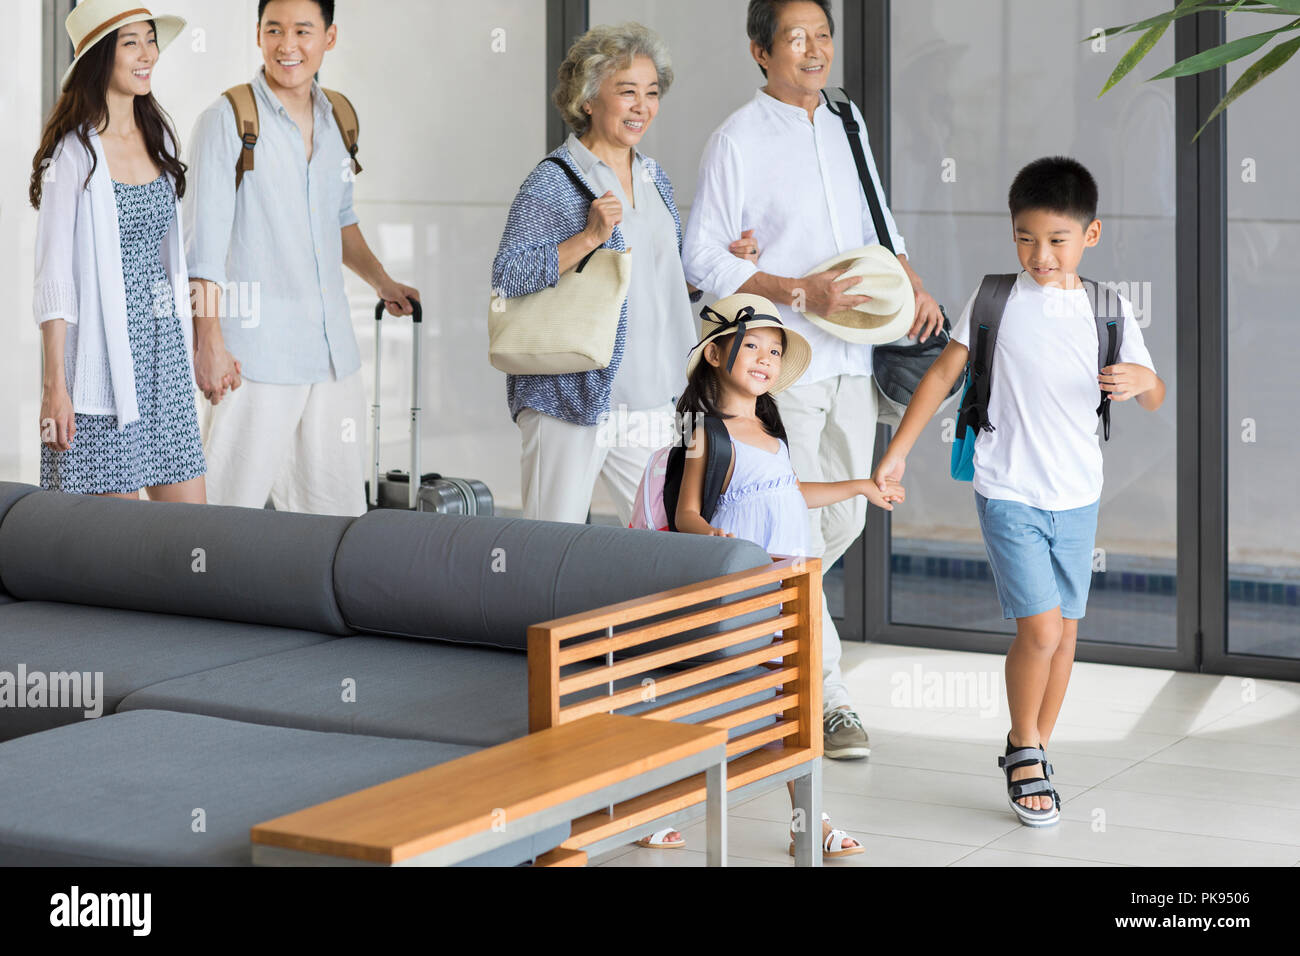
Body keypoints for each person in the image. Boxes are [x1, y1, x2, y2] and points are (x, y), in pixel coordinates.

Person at [682, 0, 945, 760]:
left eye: (823, 35)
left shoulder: (846, 122)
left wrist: (914, 284)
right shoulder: (736, 138)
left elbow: (879, 228)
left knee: (843, 520)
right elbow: (706, 260)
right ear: (761, 51)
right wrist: (802, 292)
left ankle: (745, 621)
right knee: (796, 525)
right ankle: (826, 700)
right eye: (796, 37)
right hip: (786, 361)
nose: (814, 49)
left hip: (854, 359)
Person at [871, 157, 1165, 826]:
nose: (1040, 254)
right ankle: (1023, 748)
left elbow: (1156, 394)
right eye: (1026, 238)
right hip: (1008, 488)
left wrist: (1137, 382)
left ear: (1091, 236)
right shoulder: (993, 300)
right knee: (1037, 628)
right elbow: (942, 376)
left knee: (1064, 634)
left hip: (1078, 493)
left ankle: (1033, 746)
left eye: (1057, 240)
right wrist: (896, 454)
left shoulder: (1107, 309)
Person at [672, 293, 904, 858]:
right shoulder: (706, 430)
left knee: (794, 704)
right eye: (750, 345)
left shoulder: (772, 434)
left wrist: (859, 487)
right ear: (713, 355)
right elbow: (685, 512)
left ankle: (812, 821)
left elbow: (790, 494)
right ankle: (657, 809)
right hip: (740, 589)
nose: (764, 359)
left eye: (774, 352)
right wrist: (715, 542)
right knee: (720, 702)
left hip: (789, 591)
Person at [185, 0, 419, 516]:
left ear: (328, 38)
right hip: (255, 357)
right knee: (226, 509)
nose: (287, 45)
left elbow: (339, 221)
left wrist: (381, 282)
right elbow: (201, 249)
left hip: (332, 355)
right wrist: (208, 343)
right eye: (274, 30)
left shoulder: (339, 117)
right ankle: (201, 595)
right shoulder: (226, 121)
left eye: (301, 31)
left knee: (335, 516)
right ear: (258, 35)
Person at [492, 22, 697, 528]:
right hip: (571, 398)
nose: (641, 106)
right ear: (587, 99)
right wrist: (587, 238)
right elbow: (508, 276)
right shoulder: (555, 180)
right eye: (626, 92)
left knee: (664, 545)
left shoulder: (655, 178)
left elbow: (657, 283)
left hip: (652, 400)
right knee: (549, 546)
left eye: (651, 93)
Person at [32, 2, 205, 503]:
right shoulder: (72, 155)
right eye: (130, 42)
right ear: (100, 57)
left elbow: (173, 259)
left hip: (163, 356)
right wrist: (54, 387)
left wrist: (201, 339)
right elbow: (54, 279)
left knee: (192, 531)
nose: (147, 53)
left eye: (150, 40)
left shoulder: (159, 137)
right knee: (114, 552)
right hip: (99, 364)